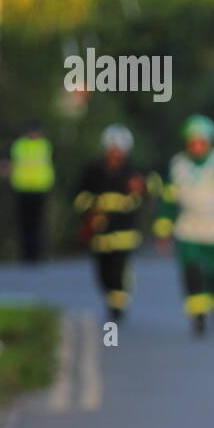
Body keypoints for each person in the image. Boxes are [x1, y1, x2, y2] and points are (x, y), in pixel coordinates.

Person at [153, 115, 214, 336]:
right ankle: (198, 317)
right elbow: (168, 200)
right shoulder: (178, 165)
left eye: (201, 141)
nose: (197, 146)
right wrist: (163, 230)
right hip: (189, 228)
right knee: (192, 273)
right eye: (192, 141)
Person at [74, 124, 145, 321]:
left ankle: (118, 309)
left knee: (119, 272)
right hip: (100, 235)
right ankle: (111, 301)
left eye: (119, 152)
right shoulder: (92, 171)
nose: (115, 155)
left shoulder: (133, 172)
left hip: (124, 234)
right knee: (103, 274)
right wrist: (91, 212)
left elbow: (145, 193)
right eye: (112, 151)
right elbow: (80, 197)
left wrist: (140, 188)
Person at [8, 120, 54, 263]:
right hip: (22, 188)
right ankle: (26, 255)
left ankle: (37, 254)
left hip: (40, 189)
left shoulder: (45, 145)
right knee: (24, 225)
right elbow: (10, 163)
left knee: (38, 224)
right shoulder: (19, 145)